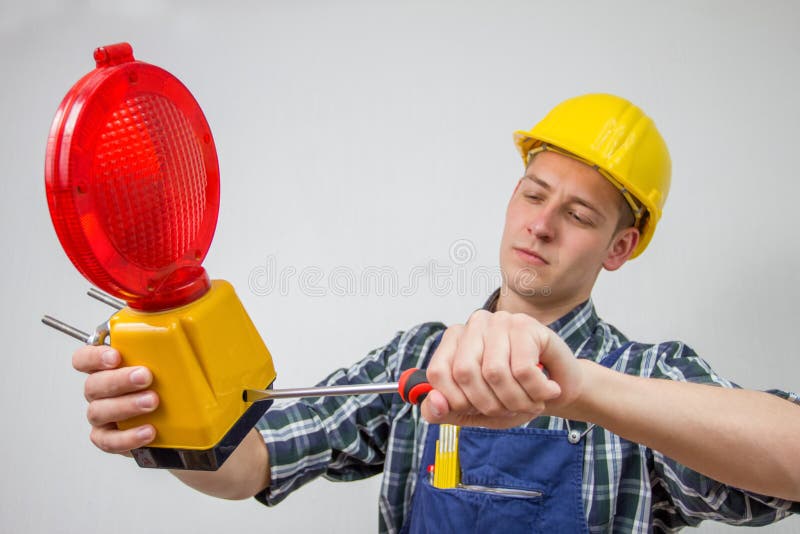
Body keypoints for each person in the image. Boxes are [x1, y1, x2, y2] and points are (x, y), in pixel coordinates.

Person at [73, 94, 800, 532]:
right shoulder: (415, 359)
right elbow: (251, 464)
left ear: (620, 248)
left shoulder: (651, 377)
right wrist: (165, 410)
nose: (541, 225)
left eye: (578, 214)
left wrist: (582, 390)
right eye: (533, 192)